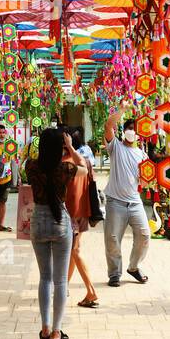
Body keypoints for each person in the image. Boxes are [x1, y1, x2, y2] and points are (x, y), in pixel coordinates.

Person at [25, 127, 82, 339]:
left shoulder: (31, 165)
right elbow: (85, 168)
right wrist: (70, 146)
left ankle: (45, 328)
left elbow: (29, 162)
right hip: (60, 223)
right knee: (60, 281)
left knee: (44, 278)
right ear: (59, 147)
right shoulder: (66, 168)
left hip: (38, 222)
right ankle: (57, 331)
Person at [102, 114, 151, 286]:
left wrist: (147, 181)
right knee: (113, 238)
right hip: (115, 202)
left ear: (140, 134)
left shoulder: (142, 155)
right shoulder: (115, 146)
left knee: (145, 235)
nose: (132, 132)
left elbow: (144, 182)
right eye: (129, 128)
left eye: (135, 130)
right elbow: (108, 125)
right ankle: (114, 273)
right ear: (124, 131)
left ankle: (134, 267)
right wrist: (121, 109)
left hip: (135, 202)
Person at [66, 126, 99, 308]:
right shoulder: (85, 161)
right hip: (83, 212)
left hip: (70, 213)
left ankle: (91, 291)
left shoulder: (64, 163)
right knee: (74, 250)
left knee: (75, 251)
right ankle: (65, 286)